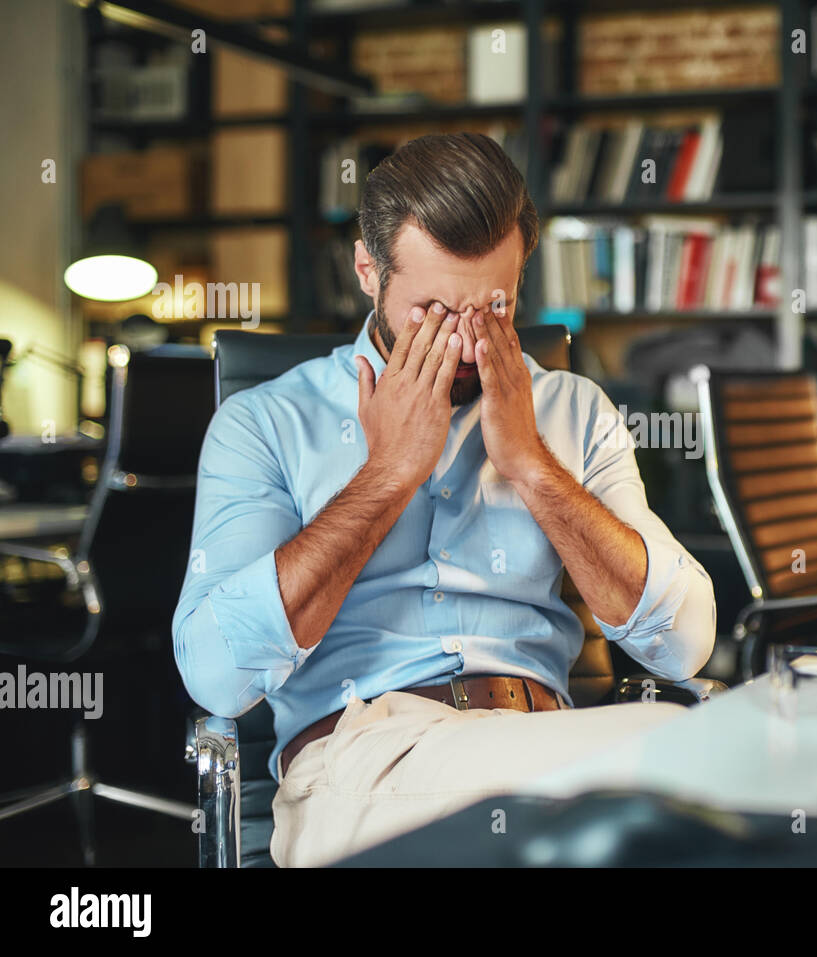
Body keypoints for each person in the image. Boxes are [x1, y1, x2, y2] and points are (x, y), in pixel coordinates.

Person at [173, 132, 716, 867]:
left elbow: (683, 642)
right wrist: (387, 475)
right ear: (368, 271)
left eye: (494, 305)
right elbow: (216, 676)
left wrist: (531, 465)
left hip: (541, 736)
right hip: (362, 760)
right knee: (691, 772)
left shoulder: (573, 412)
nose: (466, 343)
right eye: (432, 308)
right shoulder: (264, 423)